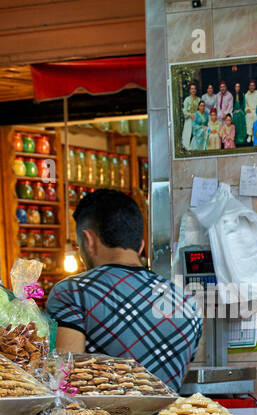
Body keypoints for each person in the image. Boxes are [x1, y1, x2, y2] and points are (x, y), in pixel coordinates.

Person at [45, 190, 202, 392]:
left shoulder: (72, 292)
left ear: (88, 240)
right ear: (140, 246)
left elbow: (62, 384)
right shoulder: (189, 305)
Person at [180, 83, 201, 151]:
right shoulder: (187, 100)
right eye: (192, 89)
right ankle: (186, 147)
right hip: (189, 118)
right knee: (188, 128)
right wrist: (190, 115)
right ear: (189, 90)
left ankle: (196, 146)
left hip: (197, 118)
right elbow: (184, 110)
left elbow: (201, 110)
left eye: (194, 89)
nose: (193, 90)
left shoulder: (198, 99)